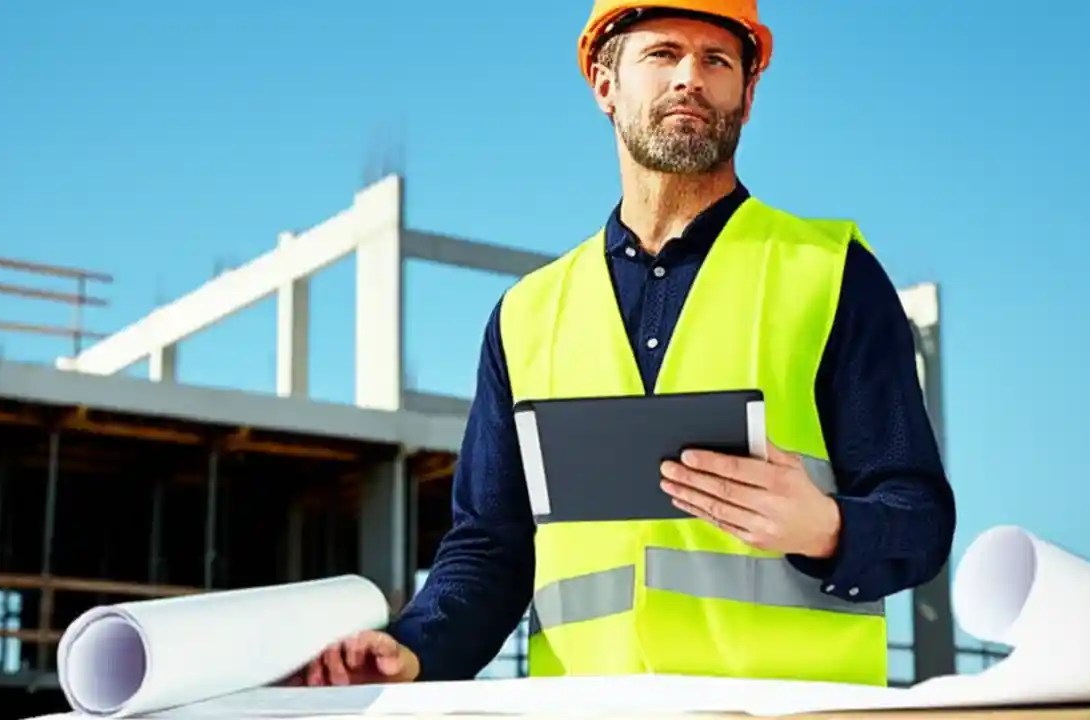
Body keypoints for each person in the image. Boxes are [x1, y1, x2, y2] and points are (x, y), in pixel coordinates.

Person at [288, 0, 955, 688]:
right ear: (605, 85)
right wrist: (416, 650)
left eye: (717, 59)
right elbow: (490, 550)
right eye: (662, 54)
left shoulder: (830, 274)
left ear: (748, 97)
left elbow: (921, 521)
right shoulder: (527, 316)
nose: (690, 77)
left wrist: (826, 527)